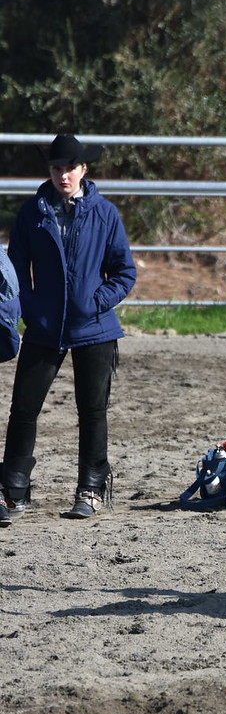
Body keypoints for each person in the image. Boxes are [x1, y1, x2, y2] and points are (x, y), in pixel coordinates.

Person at [0, 134, 137, 526]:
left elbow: (125, 272)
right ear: (51, 170)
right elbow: (13, 272)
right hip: (44, 328)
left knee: (92, 411)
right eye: (57, 168)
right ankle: (13, 491)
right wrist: (30, 308)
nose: (63, 175)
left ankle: (91, 490)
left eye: (70, 168)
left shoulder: (106, 213)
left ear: (83, 169)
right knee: (24, 410)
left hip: (95, 328)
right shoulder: (30, 214)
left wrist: (95, 302)